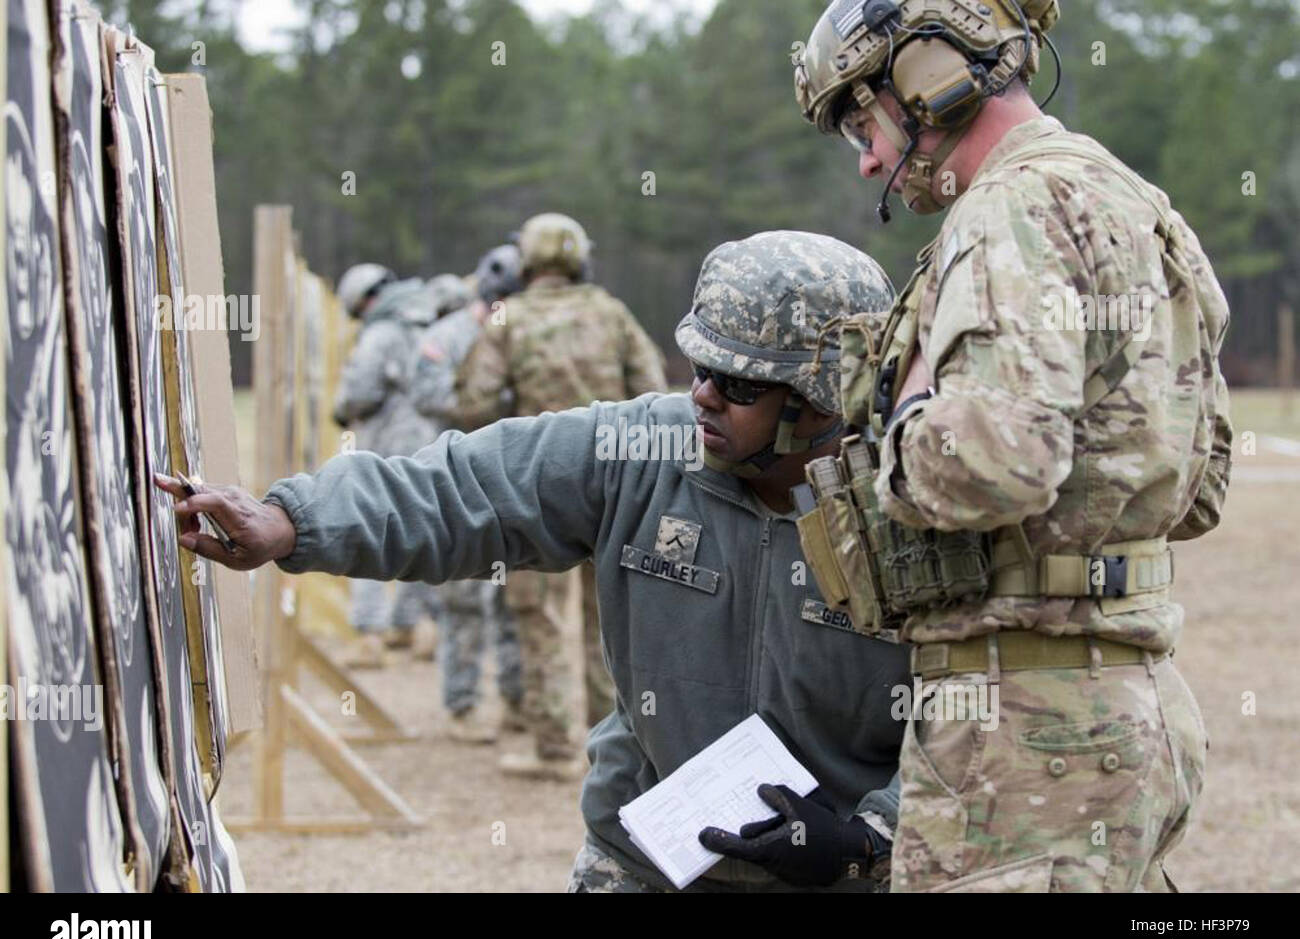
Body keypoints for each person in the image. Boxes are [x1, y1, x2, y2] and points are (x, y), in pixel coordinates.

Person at [156, 230, 909, 893]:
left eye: (738, 384)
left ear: (820, 400)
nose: (702, 396)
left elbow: (992, 704)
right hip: (645, 864)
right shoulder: (645, 449)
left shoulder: (921, 506)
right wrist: (290, 522)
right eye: (698, 366)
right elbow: (467, 488)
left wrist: (873, 837)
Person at [792, 0, 1229, 891]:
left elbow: (992, 465)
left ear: (924, 84)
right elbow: (1206, 481)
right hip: (1128, 706)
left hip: (1025, 736)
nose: (870, 159)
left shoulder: (1004, 212)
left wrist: (906, 408)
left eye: (861, 125)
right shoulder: (1139, 207)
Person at [453, 213, 668, 780]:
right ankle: (616, 745)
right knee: (612, 621)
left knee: (540, 618)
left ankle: (552, 749)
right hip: (617, 489)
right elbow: (654, 393)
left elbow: (473, 402)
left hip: (536, 489)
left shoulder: (506, 316)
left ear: (526, 260)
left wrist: (517, 427)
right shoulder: (612, 313)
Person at [410, 251, 525, 742]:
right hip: (458, 477)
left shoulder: (527, 329)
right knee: (462, 600)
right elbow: (427, 393)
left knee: (514, 601)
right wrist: (486, 402)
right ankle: (462, 706)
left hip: (516, 479)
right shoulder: (446, 336)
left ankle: (518, 703)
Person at [333, 263, 441, 662]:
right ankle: (417, 626)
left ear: (364, 300)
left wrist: (342, 411)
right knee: (422, 530)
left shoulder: (379, 334)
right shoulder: (428, 326)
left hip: (385, 446)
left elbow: (360, 389)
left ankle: (370, 635)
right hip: (429, 444)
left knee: (369, 529)